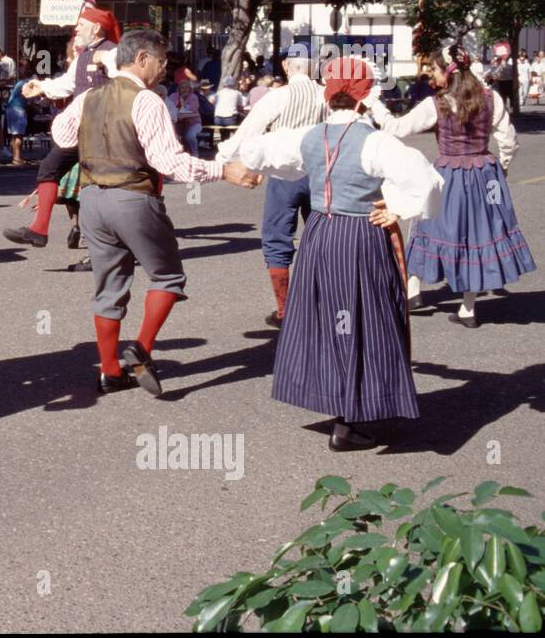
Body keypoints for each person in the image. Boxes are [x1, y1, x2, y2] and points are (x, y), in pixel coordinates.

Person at [236, 57, 442, 451]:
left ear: (328, 95)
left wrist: (240, 164)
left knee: (327, 319)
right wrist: (396, 207)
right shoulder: (376, 141)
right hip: (360, 236)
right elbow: (428, 182)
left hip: (320, 234)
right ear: (366, 97)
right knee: (365, 319)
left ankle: (338, 405)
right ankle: (351, 420)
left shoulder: (308, 136)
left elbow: (257, 151)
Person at [74, 30, 259, 398]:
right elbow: (168, 163)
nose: (163, 70)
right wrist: (224, 170)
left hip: (91, 199)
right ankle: (141, 348)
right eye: (161, 62)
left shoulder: (90, 97)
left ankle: (109, 371)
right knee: (168, 277)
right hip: (132, 197)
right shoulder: (148, 100)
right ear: (142, 59)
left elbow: (61, 134)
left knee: (109, 288)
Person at [367, 50, 534, 327]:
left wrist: (375, 105)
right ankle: (468, 308)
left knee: (428, 224)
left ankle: (413, 289)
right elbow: (509, 141)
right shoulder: (491, 98)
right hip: (484, 173)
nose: (432, 74)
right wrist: (501, 166)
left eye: (435, 69)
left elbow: (397, 128)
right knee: (477, 234)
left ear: (449, 72)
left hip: (449, 173)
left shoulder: (437, 104)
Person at [216, 55, 324, 326]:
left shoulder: (278, 96)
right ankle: (321, 303)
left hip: (283, 174)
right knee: (321, 237)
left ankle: (285, 308)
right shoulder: (325, 95)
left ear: (287, 67)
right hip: (319, 173)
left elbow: (249, 130)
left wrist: (224, 158)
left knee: (277, 237)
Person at [4, 5, 121, 248]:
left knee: (99, 187)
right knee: (49, 168)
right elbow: (68, 84)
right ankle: (39, 229)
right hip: (81, 128)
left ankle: (107, 245)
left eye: (82, 24)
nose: (76, 28)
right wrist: (42, 87)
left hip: (104, 131)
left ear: (97, 28)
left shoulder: (112, 52)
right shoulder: (82, 56)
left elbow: (125, 81)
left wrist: (108, 63)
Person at [3, 70, 30, 165]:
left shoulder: (19, 83)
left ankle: (15, 157)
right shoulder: (27, 83)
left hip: (10, 108)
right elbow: (30, 97)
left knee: (14, 135)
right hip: (18, 109)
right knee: (19, 135)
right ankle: (17, 158)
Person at [171, 79, 202, 156]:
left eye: (186, 88)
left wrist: (182, 102)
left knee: (190, 136)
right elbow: (171, 108)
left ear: (190, 89)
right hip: (177, 123)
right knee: (173, 137)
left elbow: (191, 110)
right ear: (179, 89)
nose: (184, 90)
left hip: (193, 123)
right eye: (182, 88)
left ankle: (195, 153)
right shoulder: (173, 96)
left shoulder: (194, 97)